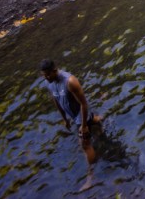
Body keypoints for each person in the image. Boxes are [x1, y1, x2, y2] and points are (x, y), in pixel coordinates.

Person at [40, 59, 102, 190]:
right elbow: (56, 100)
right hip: (74, 116)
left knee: (85, 145)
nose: (45, 78)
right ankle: (101, 120)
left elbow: (84, 104)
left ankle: (91, 178)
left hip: (80, 115)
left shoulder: (70, 81)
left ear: (55, 71)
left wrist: (83, 125)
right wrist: (64, 119)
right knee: (93, 120)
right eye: (43, 75)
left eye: (48, 75)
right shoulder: (49, 82)